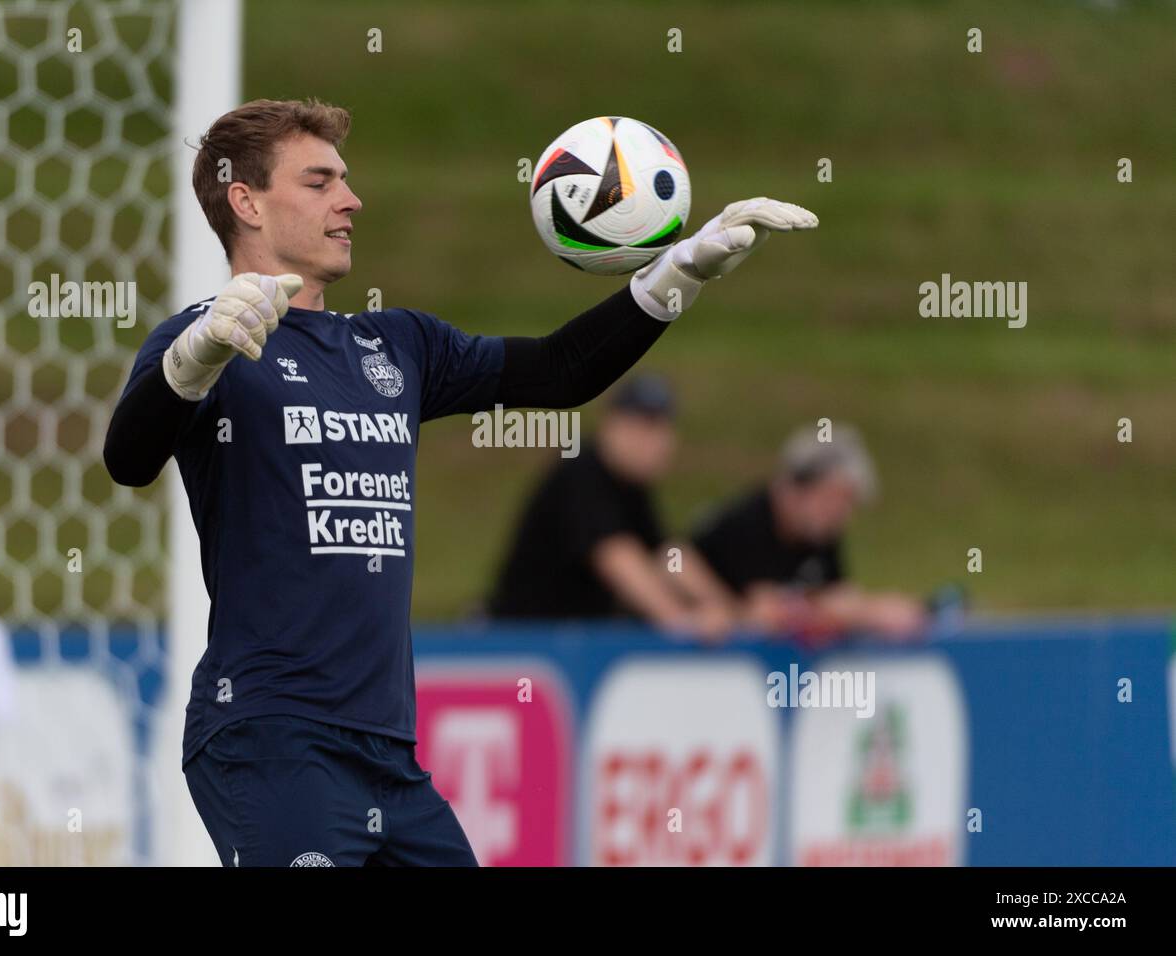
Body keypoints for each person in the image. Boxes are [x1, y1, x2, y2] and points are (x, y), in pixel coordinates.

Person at [102, 97, 818, 866]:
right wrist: (195, 360)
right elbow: (129, 458)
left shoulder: (395, 344)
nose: (351, 199)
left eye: (345, 179)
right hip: (271, 740)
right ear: (244, 200)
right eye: (319, 183)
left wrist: (675, 274)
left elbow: (560, 371)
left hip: (388, 755)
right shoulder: (205, 340)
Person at [487, 374, 736, 639]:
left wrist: (734, 612)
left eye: (662, 427)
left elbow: (667, 557)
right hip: (523, 640)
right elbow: (617, 558)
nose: (659, 442)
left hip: (567, 640)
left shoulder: (631, 487)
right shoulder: (582, 473)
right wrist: (681, 621)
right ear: (611, 425)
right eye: (644, 427)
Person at [692, 425, 926, 645]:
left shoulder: (817, 532)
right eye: (834, 499)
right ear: (795, 489)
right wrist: (869, 612)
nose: (842, 515)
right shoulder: (746, 524)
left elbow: (839, 595)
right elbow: (767, 613)